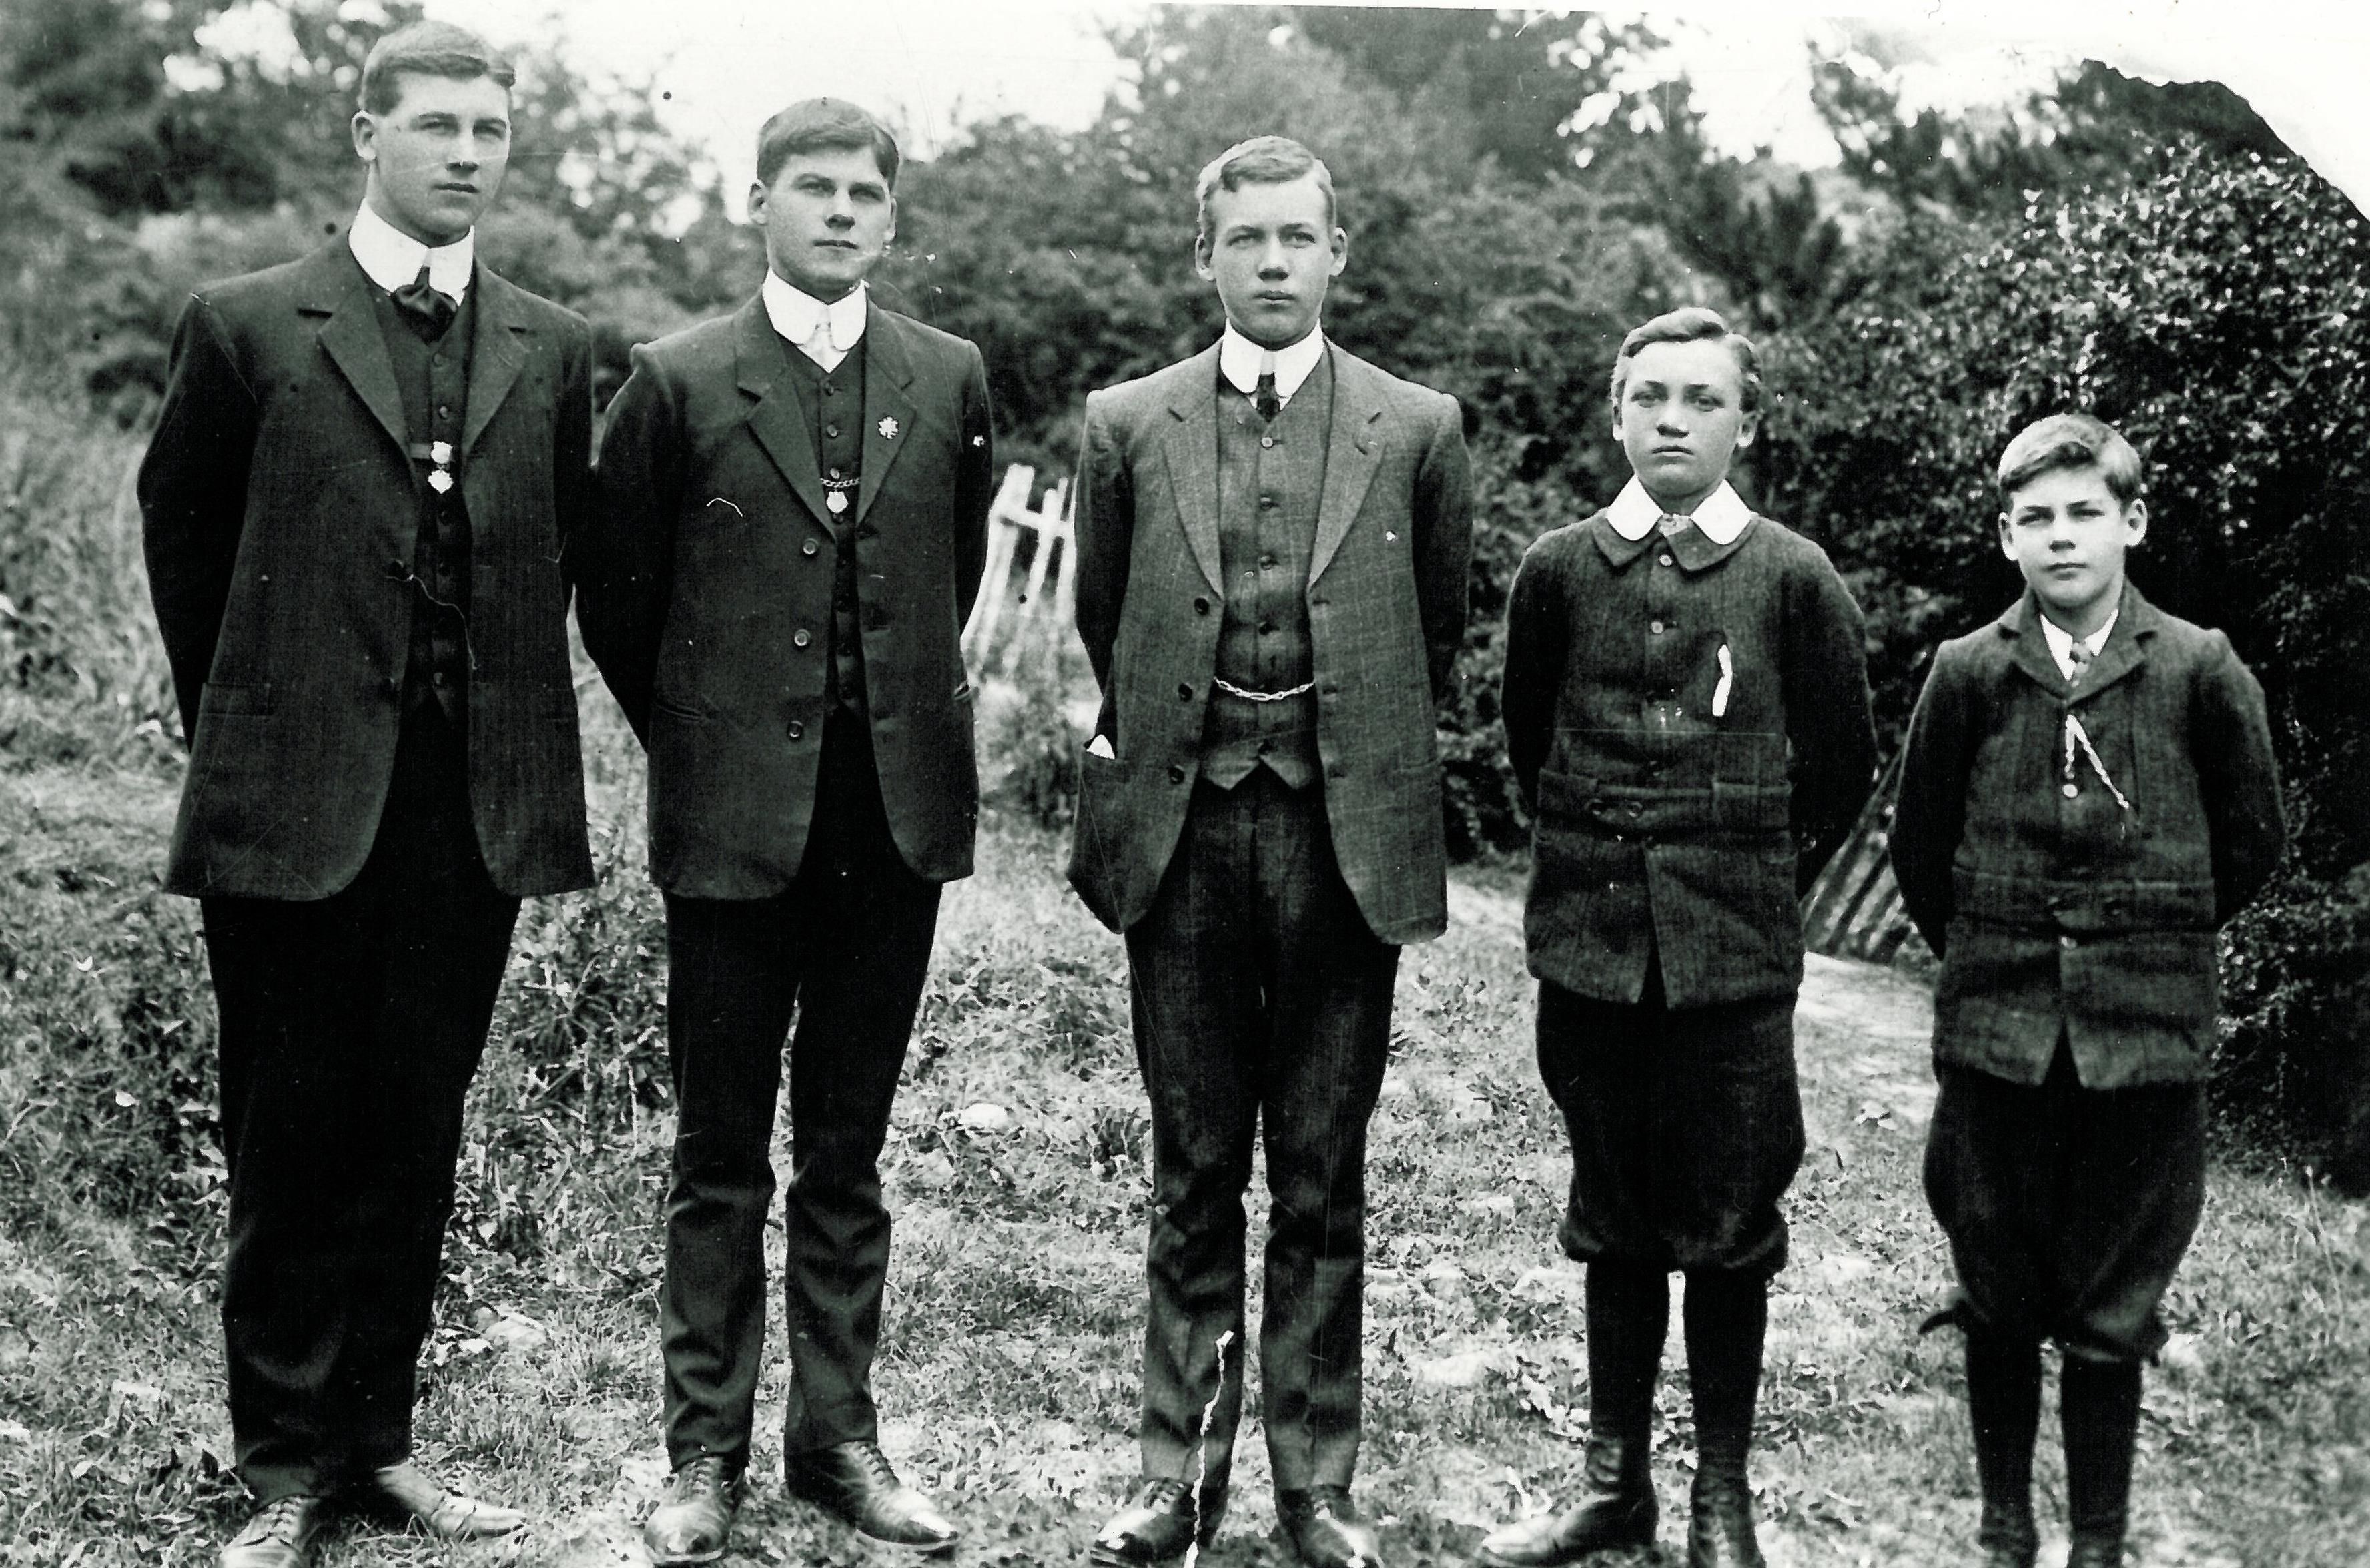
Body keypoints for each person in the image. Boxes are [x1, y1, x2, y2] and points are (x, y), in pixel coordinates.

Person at [136, 21, 595, 1568]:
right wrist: (263, 724)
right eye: (441, 125)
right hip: (290, 801)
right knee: (288, 1126)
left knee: (417, 1121)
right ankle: (279, 1468)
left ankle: (379, 1443)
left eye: (494, 129)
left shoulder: (550, 344)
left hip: (470, 808)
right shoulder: (250, 323)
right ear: (364, 133)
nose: (470, 152)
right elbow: (184, 545)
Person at [576, 97, 992, 1565]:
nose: (837, 211)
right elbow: (618, 599)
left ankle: (839, 1438)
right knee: (718, 1147)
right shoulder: (679, 379)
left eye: (862, 190)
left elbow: (952, 564)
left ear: (892, 213)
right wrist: (710, 743)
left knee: (849, 1149)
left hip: (891, 826)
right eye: (808, 187)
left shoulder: (947, 377)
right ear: (756, 201)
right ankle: (703, 1452)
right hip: (732, 826)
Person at [1067, 134, 1472, 1568]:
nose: (1276, 262)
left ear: (1339, 253)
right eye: (1248, 239)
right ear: (1208, 257)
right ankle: (1173, 1478)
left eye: (1300, 237)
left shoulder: (1417, 428)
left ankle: (1316, 1484)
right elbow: (1104, 613)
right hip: (1182, 832)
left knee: (1319, 1166)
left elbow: (1425, 617)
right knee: (1191, 1163)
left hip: (1339, 833)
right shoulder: (1126, 423)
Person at [1481, 308, 1876, 1568]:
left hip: (1732, 966)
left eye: (1702, 399)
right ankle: (1613, 1483)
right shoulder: (1557, 570)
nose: (1671, 418)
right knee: (1615, 1214)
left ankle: (1721, 1494)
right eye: (1649, 395)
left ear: (1745, 424)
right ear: (1613, 414)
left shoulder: (1793, 578)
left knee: (1726, 1225)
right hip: (1590, 957)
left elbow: (1842, 768)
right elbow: (1526, 734)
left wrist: (1739, 878)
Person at [1890, 414, 2285, 1568]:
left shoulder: (2199, 667)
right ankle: (2005, 1525)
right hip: (1998, 1029)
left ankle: (2098, 1543)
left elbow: (2251, 840)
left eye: (2084, 513)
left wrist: (2142, 942)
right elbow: (1923, 852)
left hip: (2144, 1035)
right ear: (2007, 538)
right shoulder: (1969, 672)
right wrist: (2005, 952)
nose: (2062, 538)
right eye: (2036, 519)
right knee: (1998, 1282)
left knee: (2117, 1300)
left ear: (2133, 522)